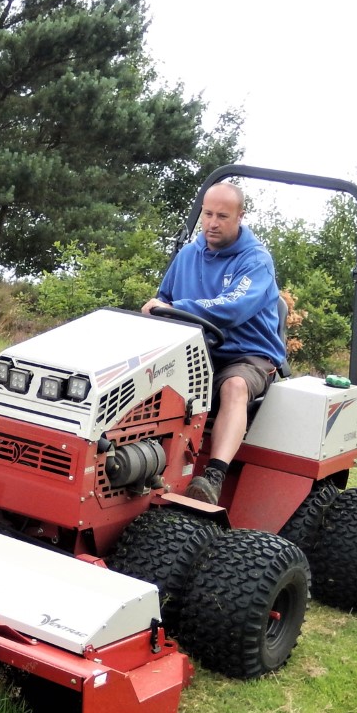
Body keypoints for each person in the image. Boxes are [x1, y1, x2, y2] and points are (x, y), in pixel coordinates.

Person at [141, 181, 285, 505]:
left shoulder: (255, 261)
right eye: (207, 214)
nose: (212, 223)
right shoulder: (188, 255)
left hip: (246, 355)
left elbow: (231, 307)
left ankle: (214, 476)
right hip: (196, 351)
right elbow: (163, 299)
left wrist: (177, 308)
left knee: (233, 386)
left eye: (222, 215)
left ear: (240, 216)